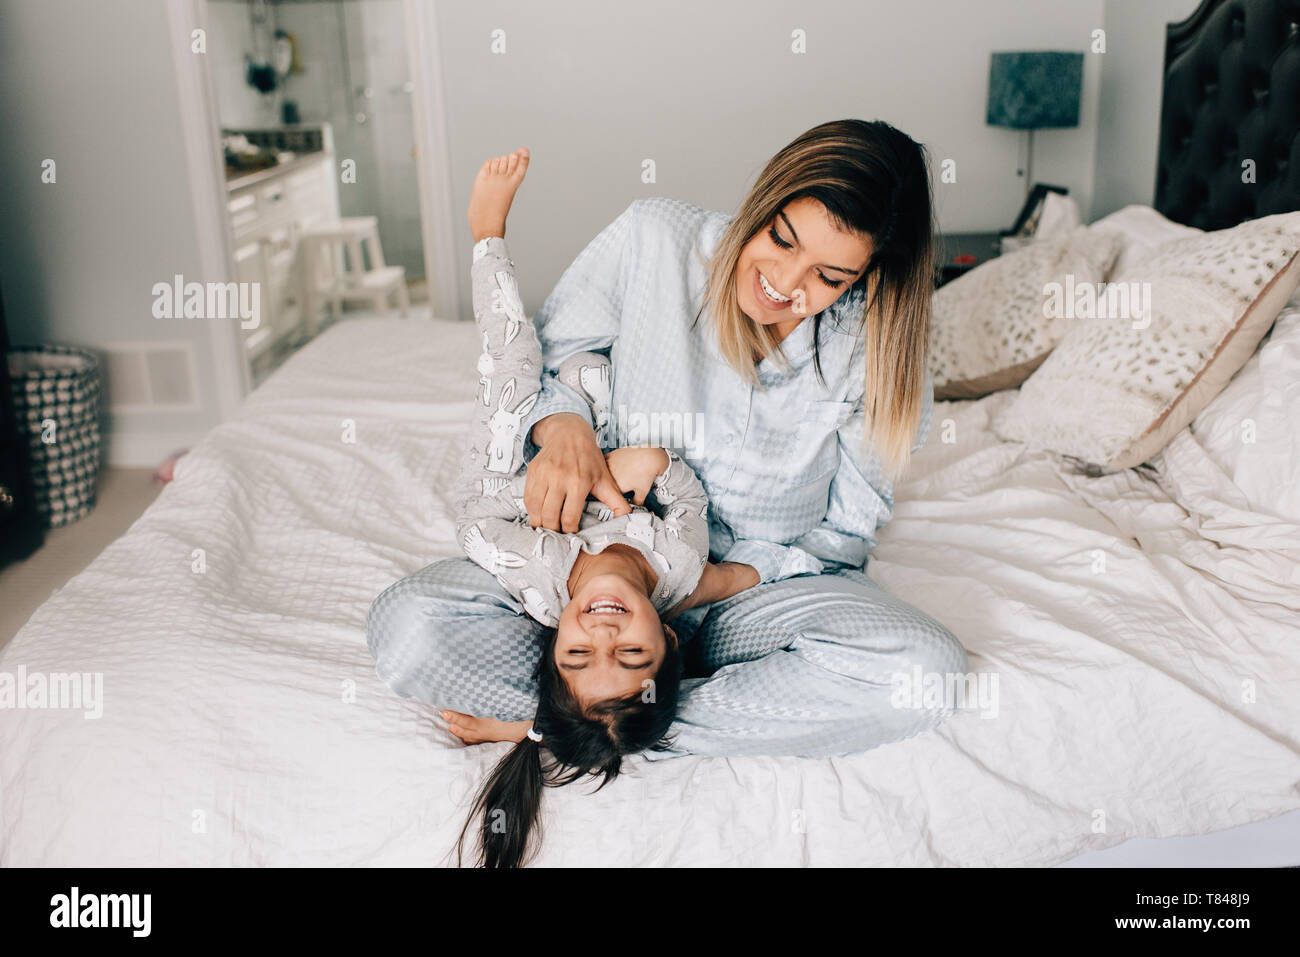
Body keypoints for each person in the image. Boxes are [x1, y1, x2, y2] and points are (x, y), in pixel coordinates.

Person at [368, 119, 969, 764]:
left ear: (869, 278)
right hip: (598, 563)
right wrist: (563, 427)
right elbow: (553, 359)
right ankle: (614, 701)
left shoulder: (876, 348)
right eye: (781, 239)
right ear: (763, 202)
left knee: (925, 673)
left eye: (830, 277)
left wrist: (726, 580)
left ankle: (588, 724)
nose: (786, 284)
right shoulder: (656, 237)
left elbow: (846, 536)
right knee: (410, 632)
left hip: (753, 598)